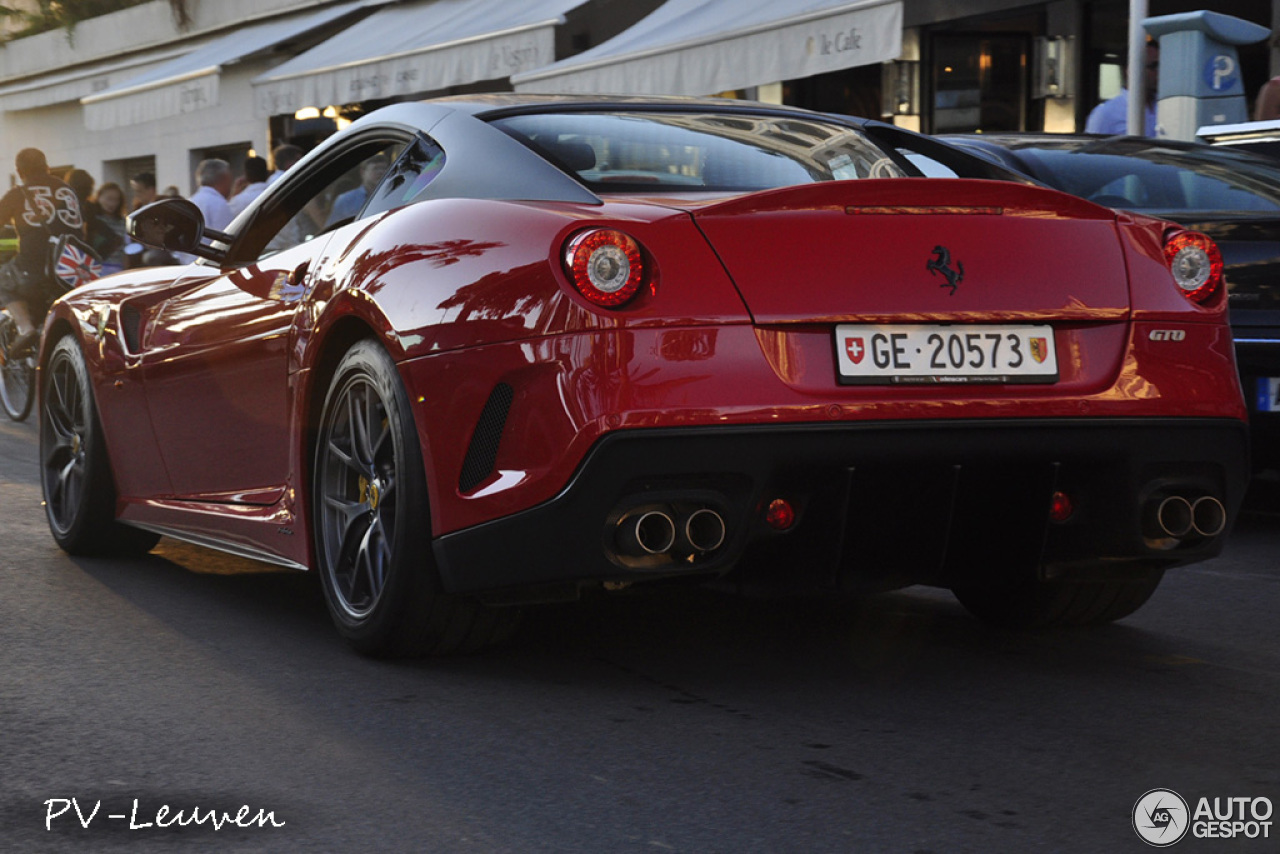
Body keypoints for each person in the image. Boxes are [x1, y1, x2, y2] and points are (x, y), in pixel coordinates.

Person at [0, 148, 84, 354]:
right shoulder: (68, 190)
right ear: (47, 167)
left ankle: (25, 327)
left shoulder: (18, 193)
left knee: (3, 278)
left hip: (34, 269)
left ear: (20, 172)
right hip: (72, 269)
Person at [1085, 42, 1159, 136]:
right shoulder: (1106, 114)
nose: (1160, 72)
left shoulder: (1165, 107)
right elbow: (1092, 149)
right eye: (1154, 66)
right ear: (1131, 70)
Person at [179, 159, 233, 262]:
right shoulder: (219, 204)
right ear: (225, 179)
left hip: (188, 266)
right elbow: (226, 243)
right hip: (211, 267)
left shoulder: (189, 203)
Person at [324, 154, 389, 227]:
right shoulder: (345, 200)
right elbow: (332, 228)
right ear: (363, 172)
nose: (381, 172)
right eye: (376, 168)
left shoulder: (394, 195)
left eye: (384, 168)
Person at [92, 182, 129, 274]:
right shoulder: (93, 220)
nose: (112, 203)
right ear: (99, 197)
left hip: (117, 269)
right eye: (109, 199)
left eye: (116, 200)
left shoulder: (123, 222)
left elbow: (126, 249)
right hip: (95, 268)